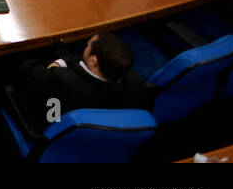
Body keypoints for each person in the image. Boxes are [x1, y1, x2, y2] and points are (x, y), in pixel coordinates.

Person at [16, 33, 148, 130]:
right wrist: (61, 63)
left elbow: (26, 68)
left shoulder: (60, 79)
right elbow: (81, 60)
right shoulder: (136, 83)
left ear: (93, 60)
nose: (85, 48)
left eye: (88, 45)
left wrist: (53, 67)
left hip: (49, 123)